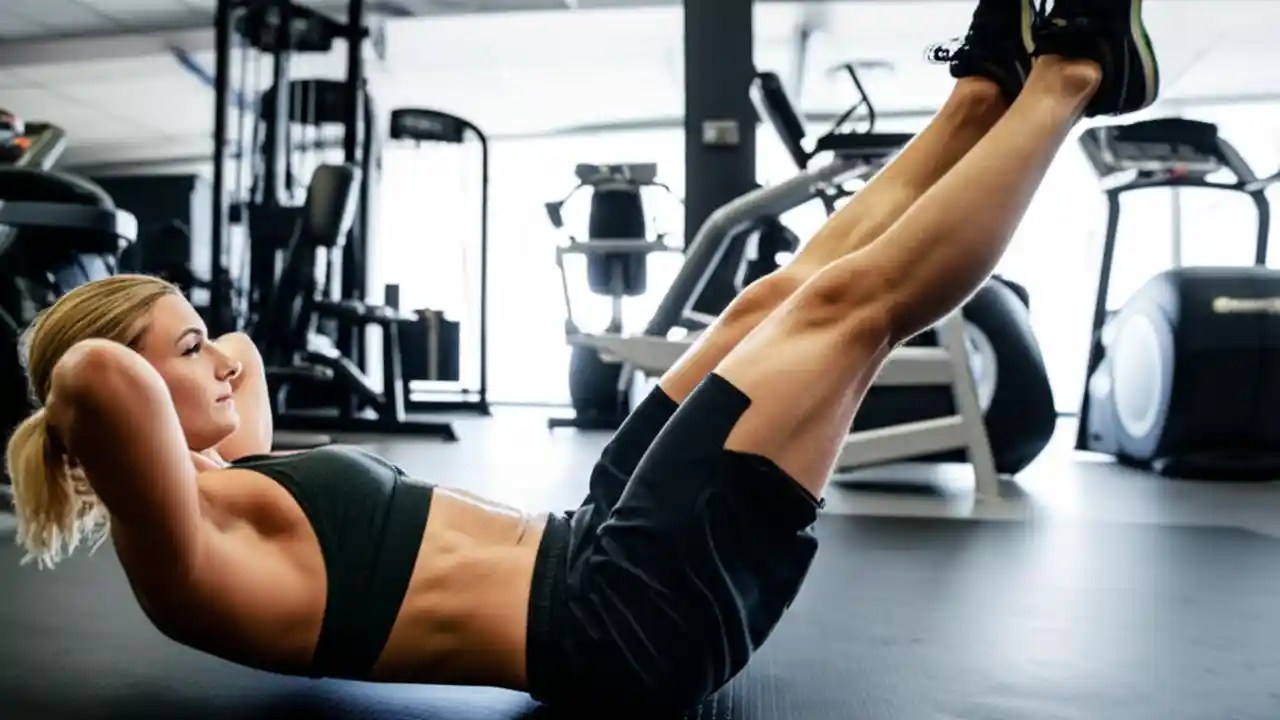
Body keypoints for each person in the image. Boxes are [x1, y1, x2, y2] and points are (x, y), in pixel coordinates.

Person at [5, 0, 1159, 711]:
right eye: (184, 356)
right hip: (620, 623)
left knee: (769, 299)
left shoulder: (229, 486)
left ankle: (977, 96)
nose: (218, 361)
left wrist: (184, 345)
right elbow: (91, 380)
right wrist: (106, 368)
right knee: (847, 312)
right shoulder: (187, 563)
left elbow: (240, 362)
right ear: (125, 415)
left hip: (595, 541)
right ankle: (1075, 74)